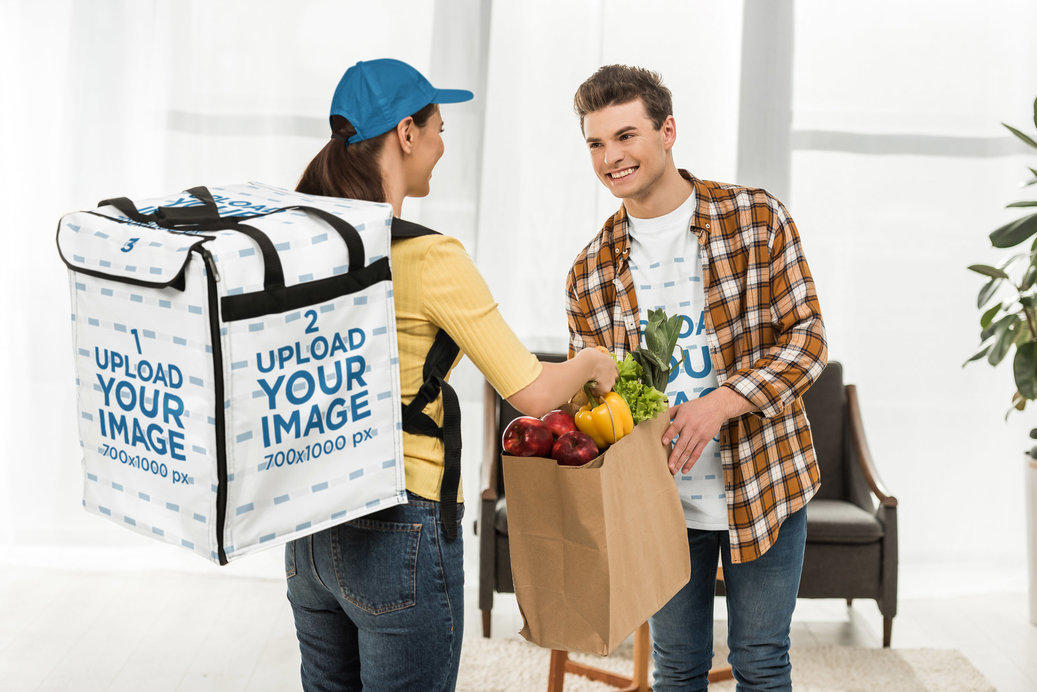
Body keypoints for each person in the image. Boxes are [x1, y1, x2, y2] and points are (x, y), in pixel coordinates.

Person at [285, 58, 618, 692]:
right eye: (438, 127)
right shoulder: (431, 257)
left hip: (309, 525)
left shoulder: (303, 245)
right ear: (406, 133)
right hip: (398, 524)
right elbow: (530, 392)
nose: (442, 145)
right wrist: (592, 363)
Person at [566, 64, 827, 691]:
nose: (611, 158)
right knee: (675, 669)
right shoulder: (590, 273)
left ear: (668, 131)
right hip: (659, 503)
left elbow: (808, 340)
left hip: (764, 479)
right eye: (596, 144)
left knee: (761, 663)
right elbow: (595, 400)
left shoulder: (756, 218)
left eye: (626, 135)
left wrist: (722, 403)